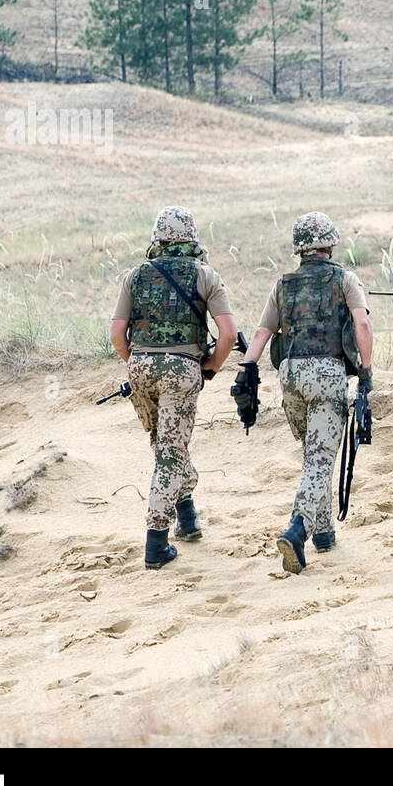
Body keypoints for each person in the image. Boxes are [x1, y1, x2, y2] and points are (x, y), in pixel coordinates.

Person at [242, 212, 373, 574]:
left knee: (316, 451)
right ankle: (297, 530)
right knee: (320, 457)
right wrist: (366, 369)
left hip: (291, 375)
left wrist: (246, 374)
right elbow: (361, 322)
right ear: (330, 244)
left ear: (299, 248)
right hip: (328, 374)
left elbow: (260, 334)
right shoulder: (345, 279)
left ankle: (324, 533)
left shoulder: (282, 285)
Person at [109, 206, 237, 570]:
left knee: (164, 442)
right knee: (171, 453)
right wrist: (211, 365)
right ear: (192, 237)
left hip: (140, 366)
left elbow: (117, 335)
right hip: (182, 370)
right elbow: (227, 334)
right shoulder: (206, 275)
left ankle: (188, 516)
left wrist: (137, 363)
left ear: (156, 238)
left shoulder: (134, 277)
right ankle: (156, 544)